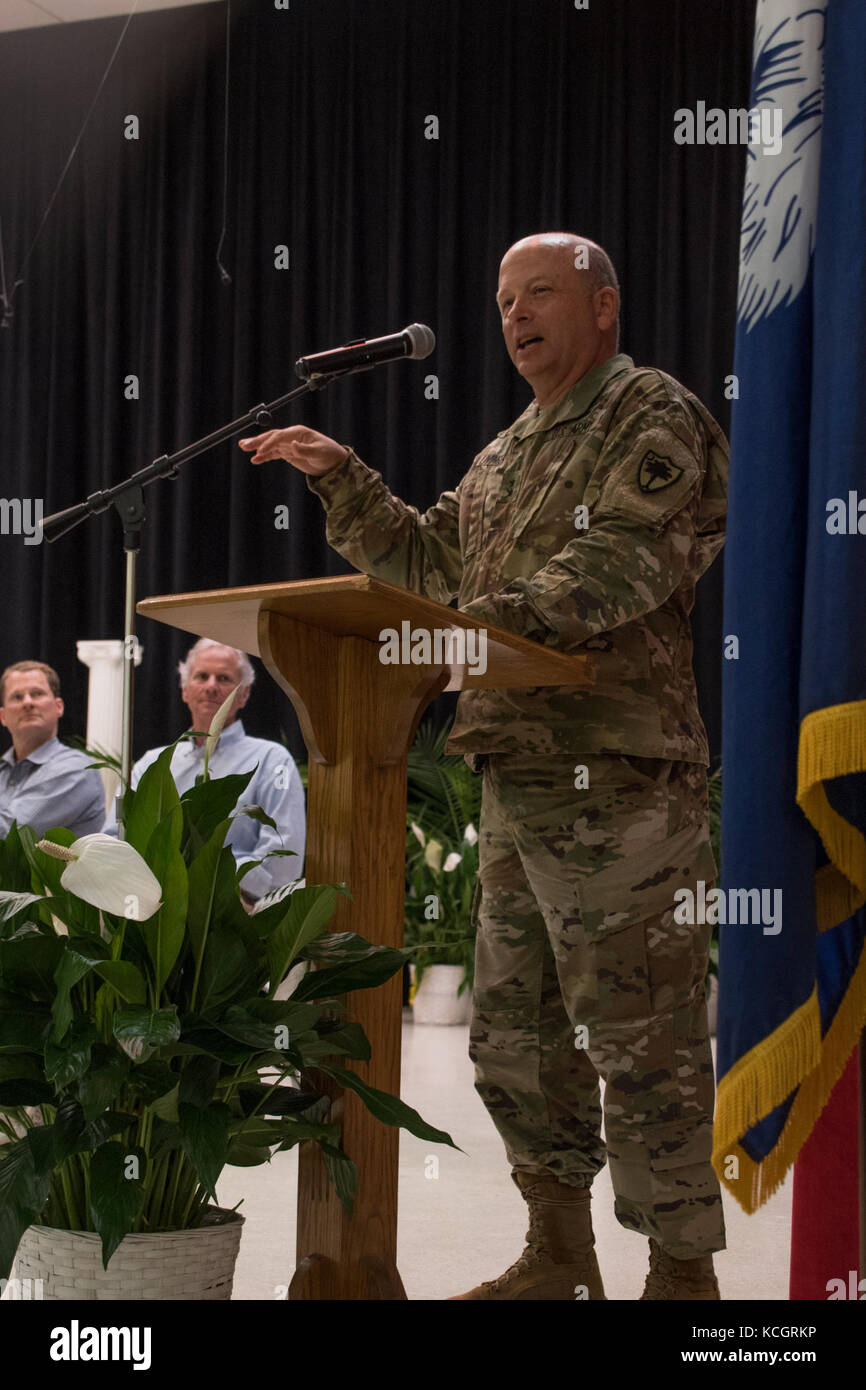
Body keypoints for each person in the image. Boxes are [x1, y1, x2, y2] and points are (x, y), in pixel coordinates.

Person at [238, 232, 729, 1300]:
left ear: (603, 304)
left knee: (639, 1035)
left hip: (621, 771)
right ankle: (559, 1254)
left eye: (539, 294)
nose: (515, 316)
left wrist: (472, 634)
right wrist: (344, 480)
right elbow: (426, 559)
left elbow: (619, 562)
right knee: (517, 1038)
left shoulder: (650, 412)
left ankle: (681, 1278)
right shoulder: (506, 453)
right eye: (504, 301)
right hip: (513, 769)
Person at [110, 639, 305, 902]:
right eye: (202, 676)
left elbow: (281, 863)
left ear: (244, 694)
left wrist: (203, 874)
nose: (211, 686)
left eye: (224, 678)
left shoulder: (272, 761)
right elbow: (115, 836)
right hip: (150, 908)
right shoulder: (151, 765)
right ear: (185, 690)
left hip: (237, 912)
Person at [0, 660, 106, 840]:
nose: (27, 702)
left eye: (37, 694)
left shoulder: (77, 769)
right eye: (17, 697)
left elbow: (11, 835)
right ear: (3, 716)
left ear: (59, 706)